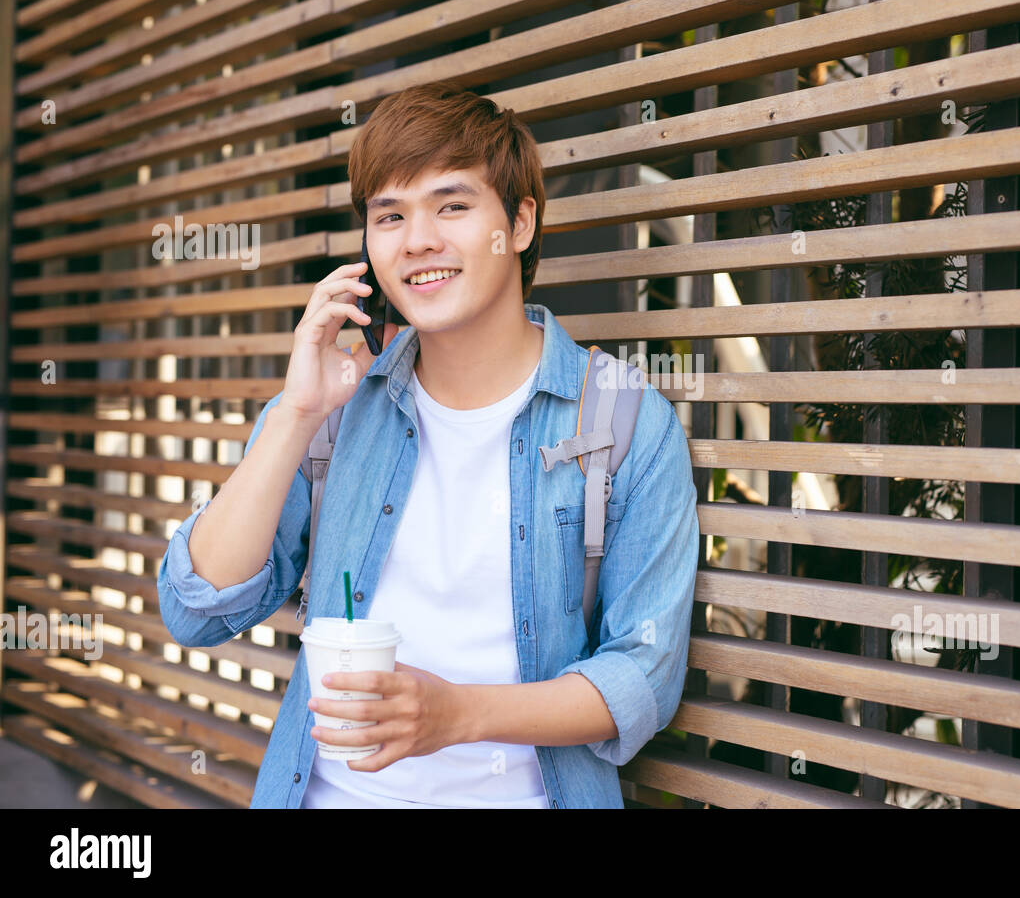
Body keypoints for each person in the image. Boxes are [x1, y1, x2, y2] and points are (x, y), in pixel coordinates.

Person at [156, 81, 701, 808]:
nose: (418, 240)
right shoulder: (333, 408)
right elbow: (194, 610)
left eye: (452, 205)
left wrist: (458, 715)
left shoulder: (625, 420)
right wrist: (294, 412)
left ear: (521, 221)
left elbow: (643, 676)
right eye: (390, 215)